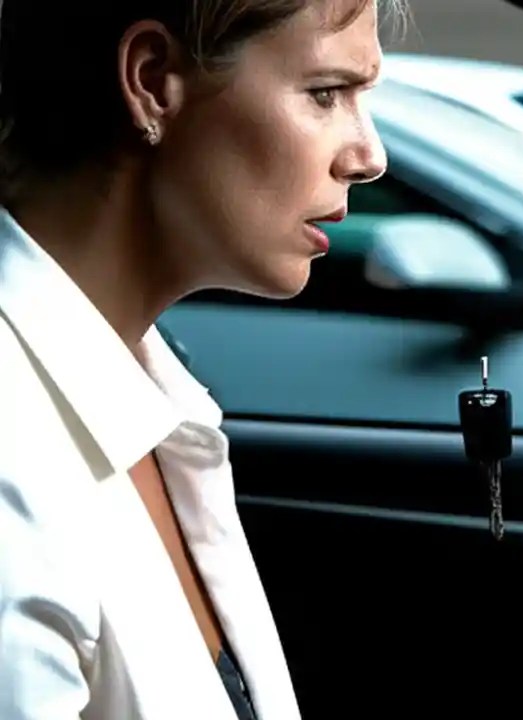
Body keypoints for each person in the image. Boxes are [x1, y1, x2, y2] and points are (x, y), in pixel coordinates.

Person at [0, 0, 404, 717]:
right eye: (325, 93)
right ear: (153, 81)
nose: (369, 156)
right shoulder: (16, 467)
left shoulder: (145, 393)